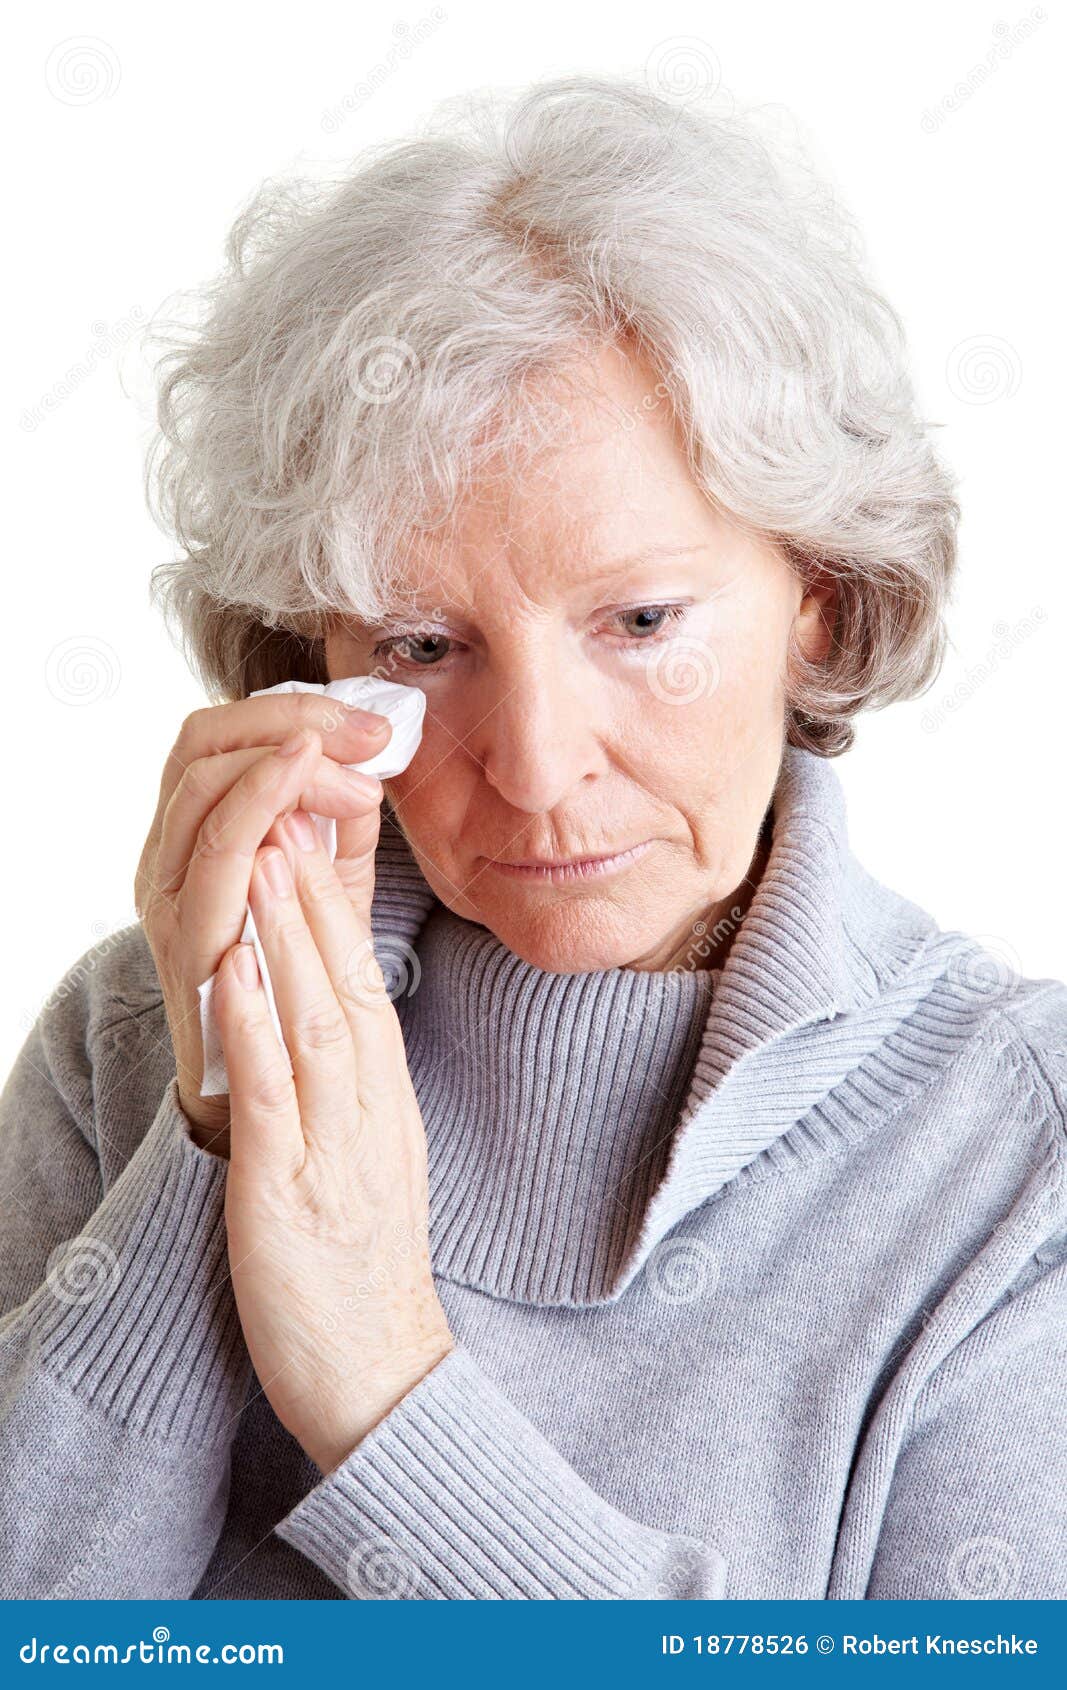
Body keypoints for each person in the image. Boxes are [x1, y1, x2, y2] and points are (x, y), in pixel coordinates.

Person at [1, 73, 1064, 1601]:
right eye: (424, 645)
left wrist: (379, 1381)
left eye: (640, 620)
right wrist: (225, 1118)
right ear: (312, 661)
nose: (537, 763)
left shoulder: (1019, 1151)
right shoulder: (131, 1036)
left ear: (816, 596)